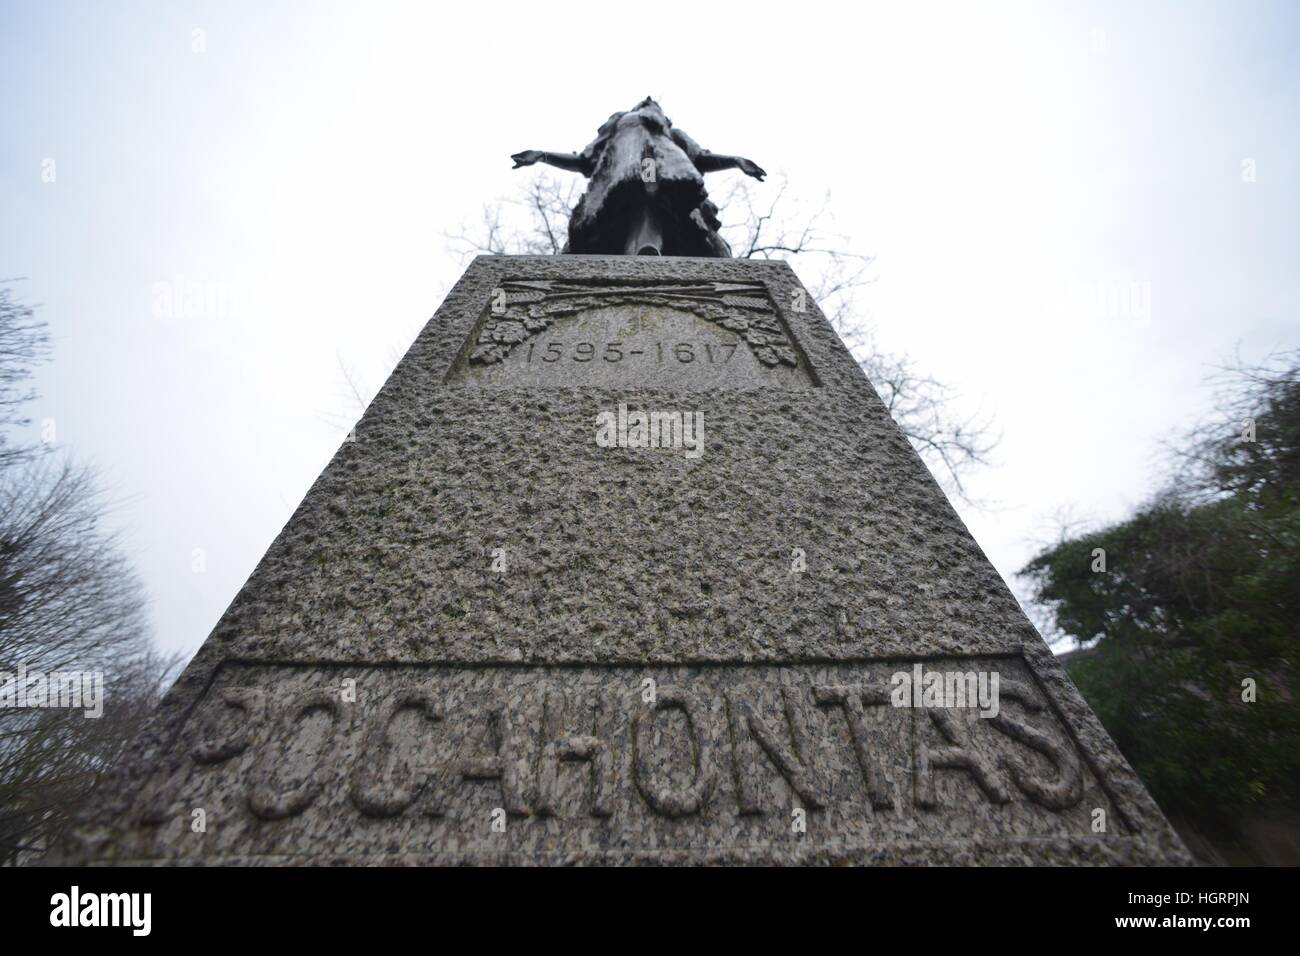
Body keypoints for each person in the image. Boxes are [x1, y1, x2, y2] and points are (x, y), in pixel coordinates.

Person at [511, 98, 766, 257]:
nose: (649, 105)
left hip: (665, 177)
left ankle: (647, 249)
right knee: (639, 199)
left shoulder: (672, 135)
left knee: (652, 197)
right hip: (619, 181)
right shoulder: (618, 128)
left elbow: (700, 157)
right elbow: (584, 160)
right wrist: (542, 155)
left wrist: (736, 161)